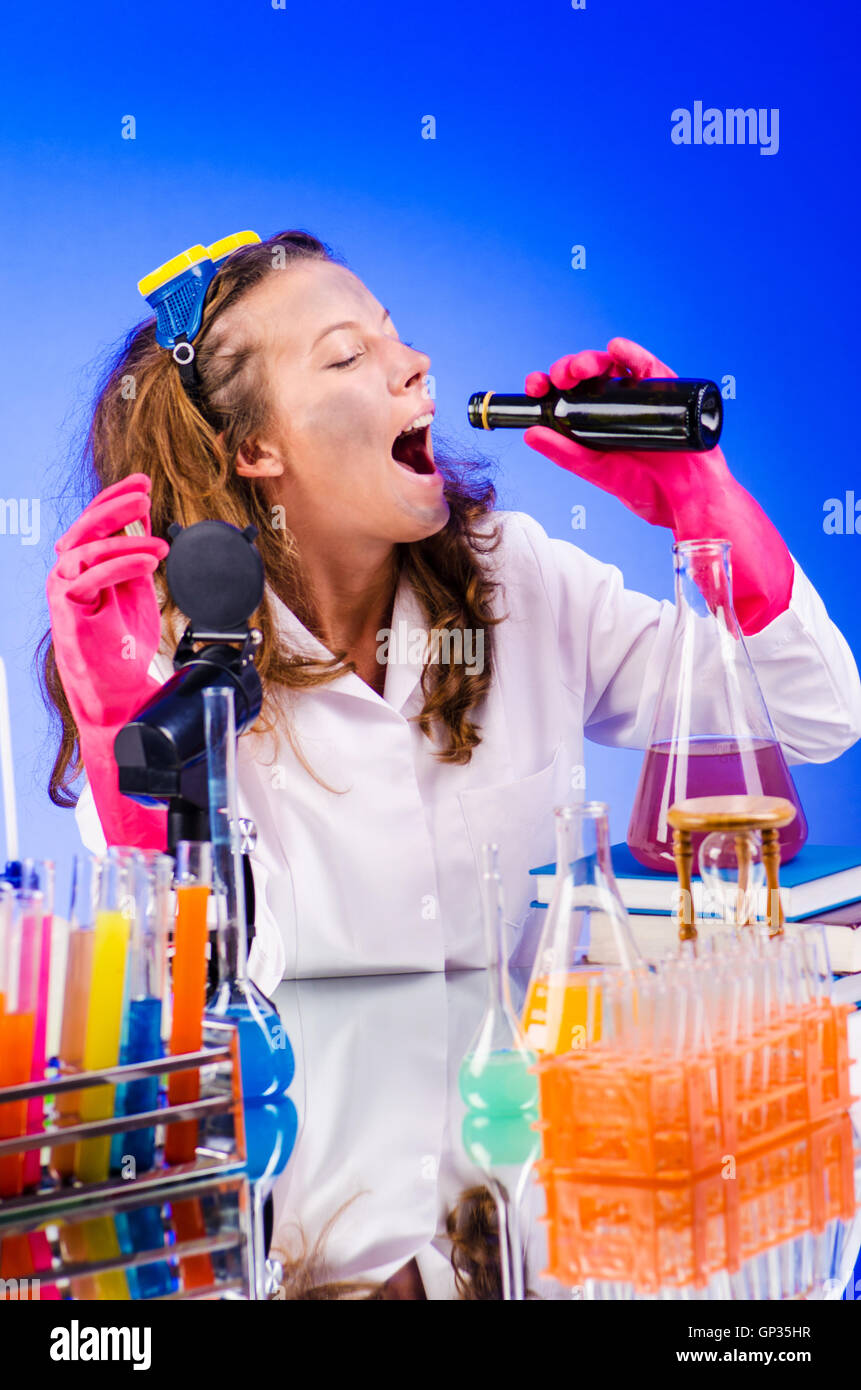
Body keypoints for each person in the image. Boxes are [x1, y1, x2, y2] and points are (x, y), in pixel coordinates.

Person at [44, 229, 861, 990]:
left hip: (529, 1120)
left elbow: (812, 716)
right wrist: (121, 726)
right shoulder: (167, 659)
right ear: (256, 449)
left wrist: (706, 503)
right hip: (304, 1129)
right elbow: (188, 976)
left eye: (393, 333)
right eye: (347, 358)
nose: (415, 364)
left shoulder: (513, 572)